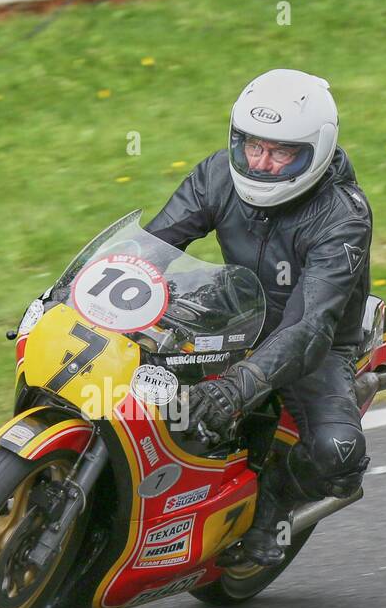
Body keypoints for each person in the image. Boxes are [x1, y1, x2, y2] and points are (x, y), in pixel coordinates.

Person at [146, 68, 373, 566]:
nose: (261, 162)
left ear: (315, 150)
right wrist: (68, 294)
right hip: (232, 310)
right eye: (252, 145)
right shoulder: (217, 175)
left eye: (281, 152)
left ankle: (269, 504)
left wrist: (235, 386)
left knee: (340, 453)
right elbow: (154, 246)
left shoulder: (343, 217)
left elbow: (310, 327)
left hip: (317, 343)